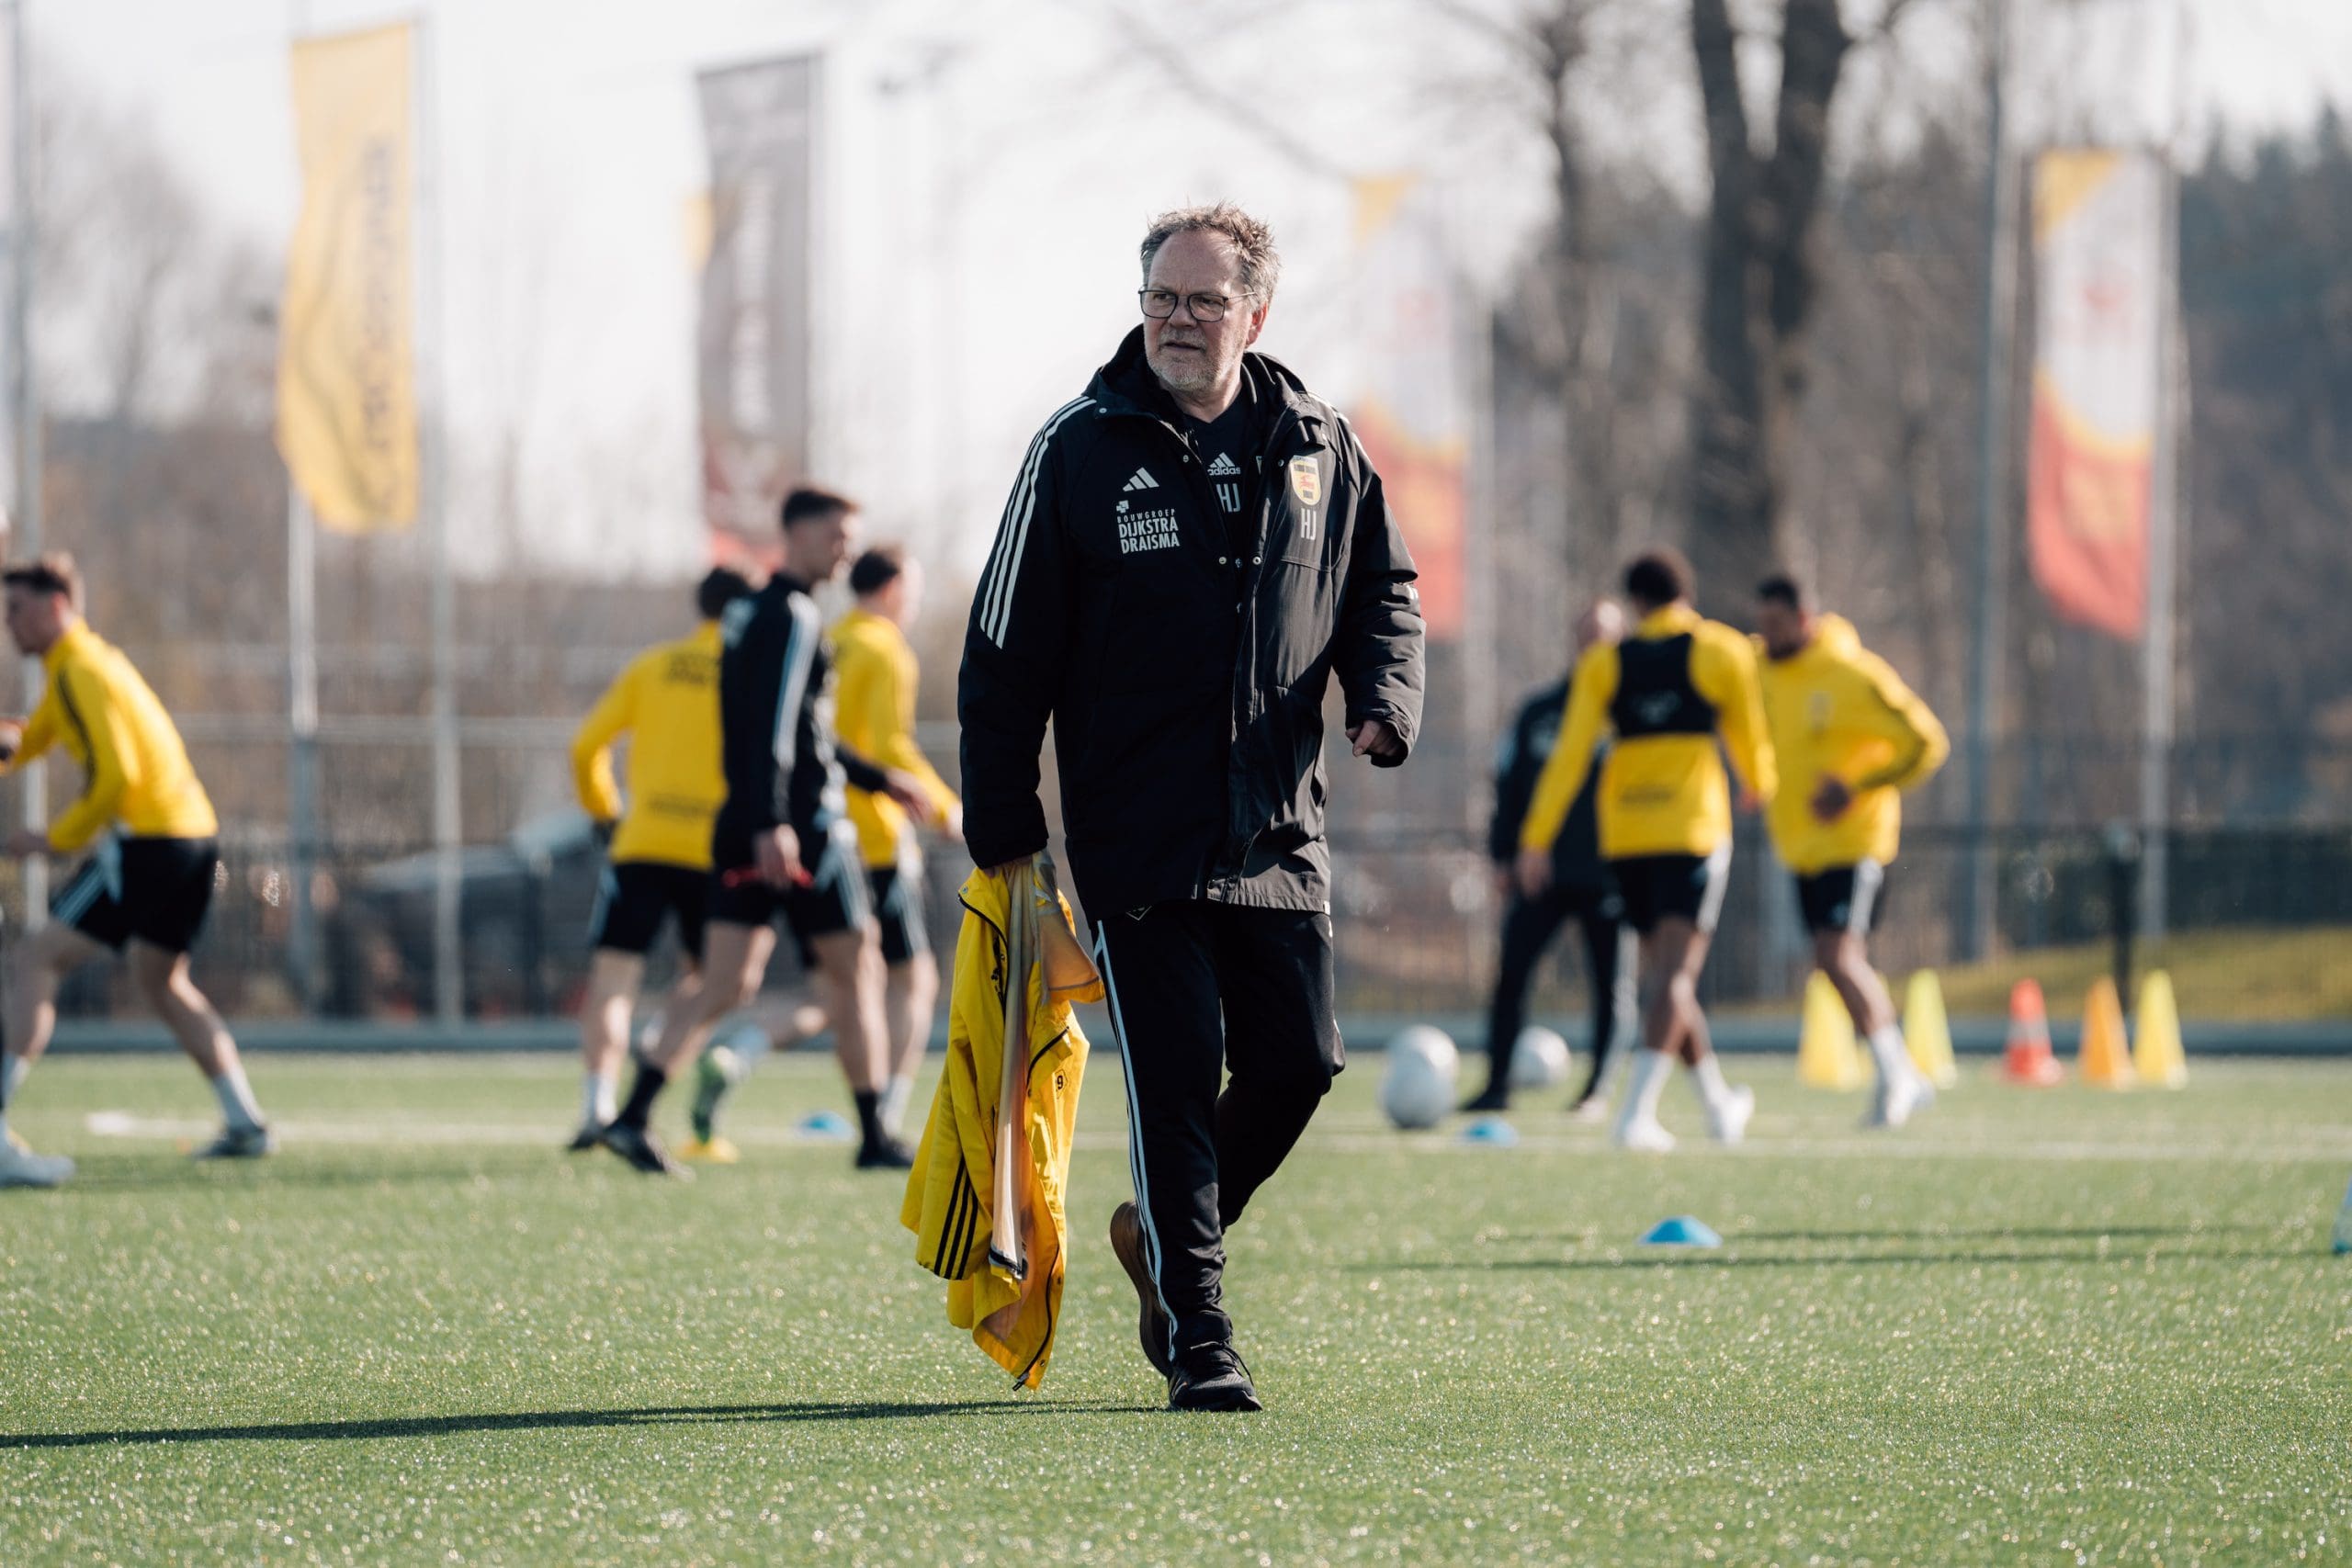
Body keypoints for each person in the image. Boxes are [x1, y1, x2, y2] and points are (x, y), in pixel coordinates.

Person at [960, 203, 1425, 1412]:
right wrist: (1004, 819)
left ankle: (1161, 1239)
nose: (1176, 319)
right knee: (1170, 1086)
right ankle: (1201, 1336)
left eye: (1203, 300)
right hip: (1135, 836)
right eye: (1160, 297)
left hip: (1278, 824)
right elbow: (1005, 645)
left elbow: (1385, 588)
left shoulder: (1323, 442)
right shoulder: (1077, 447)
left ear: (1254, 313)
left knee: (1301, 1062)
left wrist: (1382, 697)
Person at [598, 487, 933, 1176]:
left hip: (744, 822)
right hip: (801, 829)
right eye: (837, 535)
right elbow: (778, 732)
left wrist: (875, 779)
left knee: (724, 982)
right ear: (800, 534)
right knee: (857, 967)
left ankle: (632, 1116)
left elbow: (798, 731)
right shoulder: (794, 613)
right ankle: (875, 1134)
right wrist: (776, 823)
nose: (845, 550)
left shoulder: (750, 611)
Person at [0, 553, 271, 1189]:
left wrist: (53, 839)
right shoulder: (87, 664)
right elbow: (34, 736)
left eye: (16, 610)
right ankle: (246, 1121)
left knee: (36, 957)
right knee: (163, 981)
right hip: (196, 840)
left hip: (151, 844)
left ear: (56, 607)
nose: (8, 624)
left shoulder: (81, 672)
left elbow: (117, 775)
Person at [1517, 547, 1774, 1154]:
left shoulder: (1604, 664)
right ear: (1685, 593)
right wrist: (1759, 783)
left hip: (1627, 836)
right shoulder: (1721, 649)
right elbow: (1752, 740)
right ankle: (1635, 1113)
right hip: (1692, 832)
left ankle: (1717, 1104)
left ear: (1633, 602)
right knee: (1677, 979)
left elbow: (1570, 757)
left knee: (1666, 979)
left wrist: (1536, 838)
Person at [565, 566, 755, 1156]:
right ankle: (655, 1057)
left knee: (614, 980)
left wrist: (605, 810)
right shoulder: (748, 673)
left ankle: (598, 1104)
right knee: (707, 983)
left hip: (642, 843)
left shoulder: (653, 666)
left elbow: (585, 746)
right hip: (713, 852)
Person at [1753, 573, 1949, 1128]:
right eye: (1760, 624)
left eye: (1776, 624)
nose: (1765, 636)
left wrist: (1859, 787)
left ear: (1805, 620)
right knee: (1836, 962)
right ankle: (1902, 1072)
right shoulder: (1761, 668)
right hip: (1801, 846)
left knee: (1837, 957)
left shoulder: (1853, 675)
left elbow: (1927, 741)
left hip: (1856, 842)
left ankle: (1897, 1074)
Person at [1464, 600, 1634, 1120]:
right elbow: (1508, 787)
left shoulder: (1631, 714)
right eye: (1587, 634)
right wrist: (1504, 856)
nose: (1594, 645)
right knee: (1511, 977)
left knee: (1610, 985)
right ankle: (1496, 1086)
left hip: (1610, 874)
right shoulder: (1540, 711)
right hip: (1542, 872)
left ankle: (1596, 1090)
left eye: (1604, 636)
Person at [827, 547, 961, 1137]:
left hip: (826, 831)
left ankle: (744, 1048)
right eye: (912, 588)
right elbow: (891, 748)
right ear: (888, 590)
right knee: (914, 980)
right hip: (879, 834)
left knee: (843, 980)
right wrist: (945, 807)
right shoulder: (885, 648)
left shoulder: (831, 638)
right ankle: (887, 1115)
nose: (915, 601)